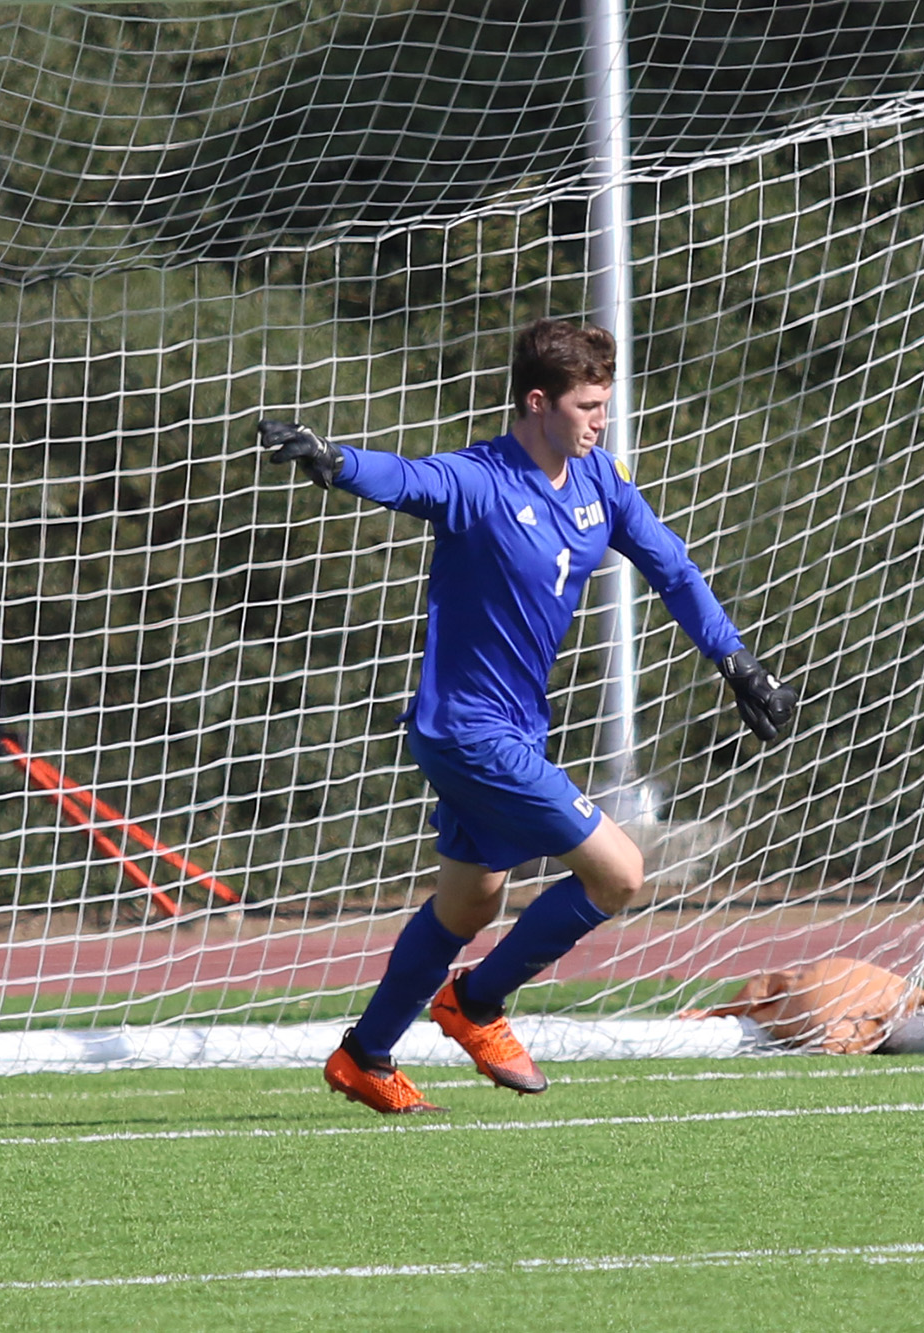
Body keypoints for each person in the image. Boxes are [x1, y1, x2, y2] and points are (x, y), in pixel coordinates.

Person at [259, 318, 798, 1115]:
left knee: (470, 903)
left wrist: (736, 659)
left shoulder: (599, 481)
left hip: (516, 726)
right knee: (619, 870)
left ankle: (365, 1054)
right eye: (587, 406)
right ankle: (475, 1003)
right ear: (538, 403)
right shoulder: (480, 480)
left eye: (605, 404)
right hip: (467, 730)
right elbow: (406, 478)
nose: (601, 420)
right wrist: (334, 462)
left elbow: (672, 567)